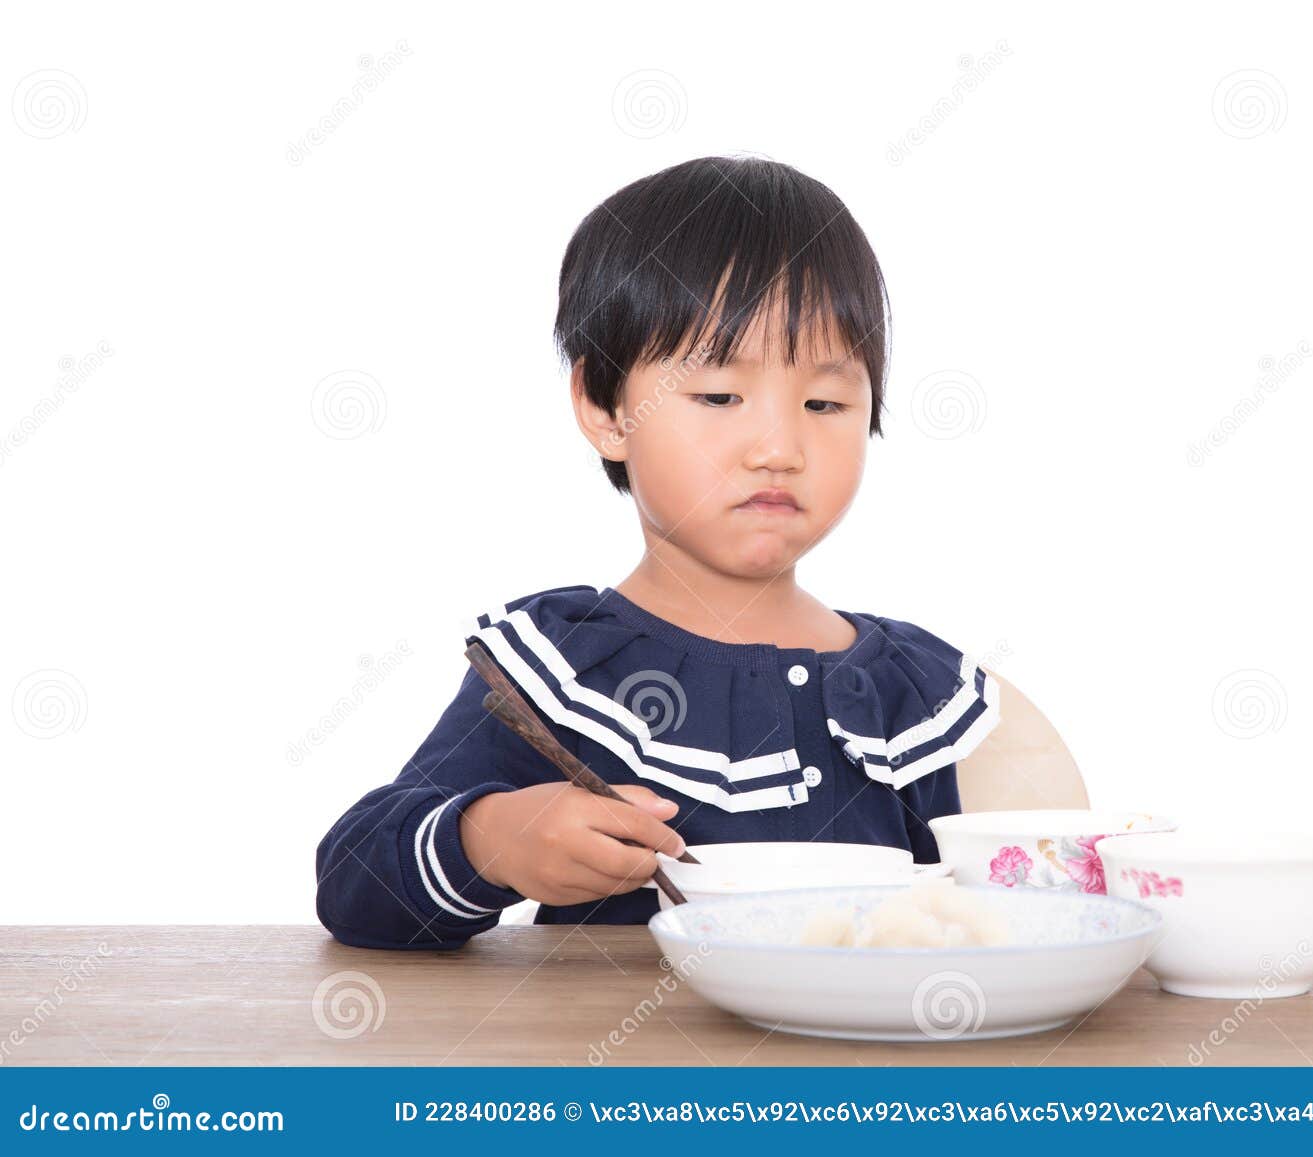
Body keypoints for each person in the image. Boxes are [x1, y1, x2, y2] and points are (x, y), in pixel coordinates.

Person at [314, 156, 1001, 949]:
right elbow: (354, 882)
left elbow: (978, 929)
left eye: (825, 401)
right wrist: (492, 839)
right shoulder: (565, 665)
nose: (779, 447)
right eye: (718, 396)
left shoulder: (910, 692)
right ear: (604, 408)